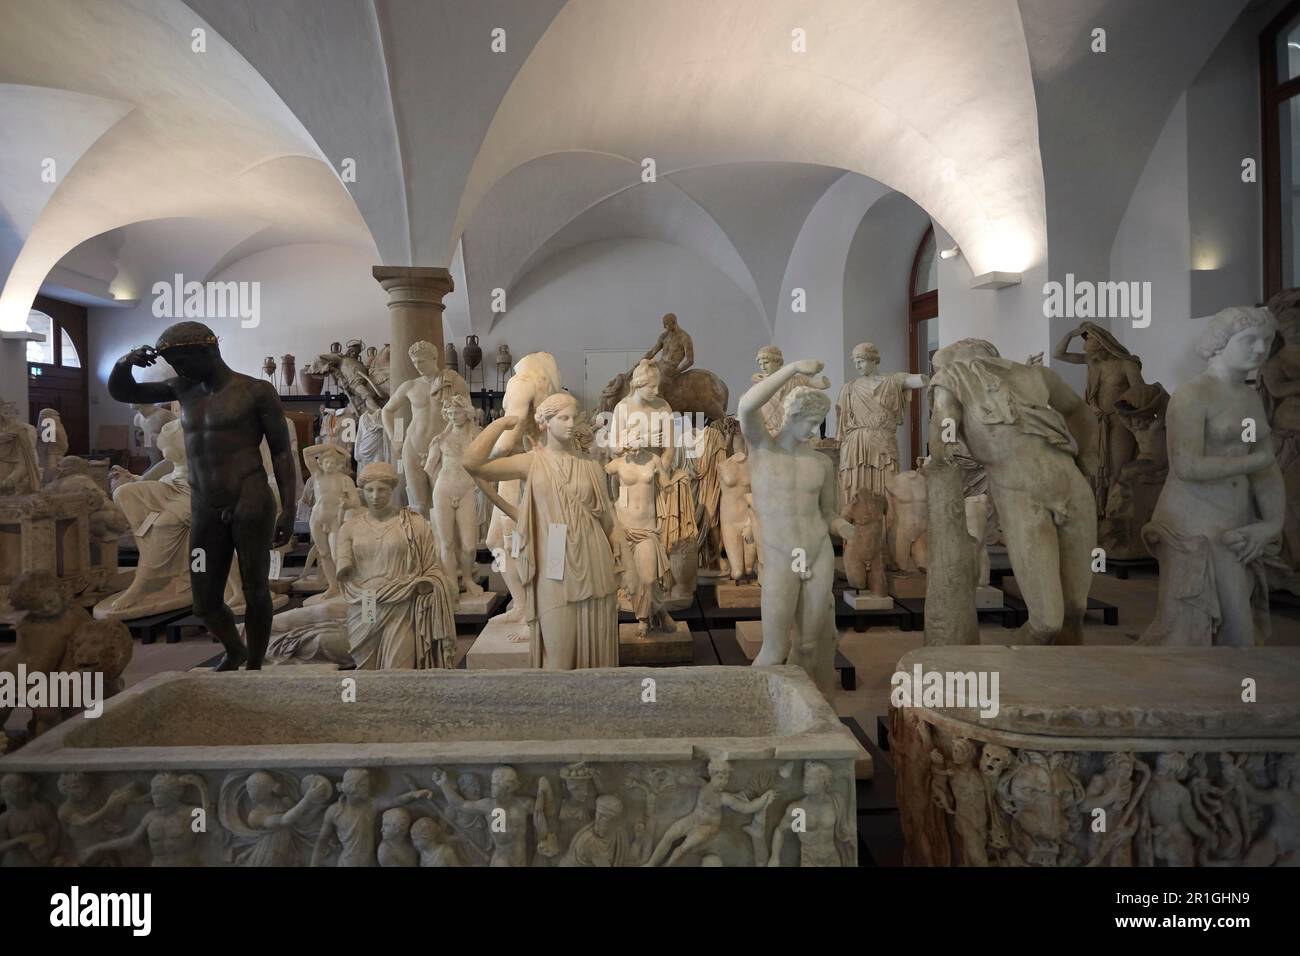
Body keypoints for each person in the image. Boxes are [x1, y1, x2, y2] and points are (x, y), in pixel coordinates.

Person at [108, 321, 296, 670]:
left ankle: (254, 664)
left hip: (250, 501)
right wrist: (124, 363)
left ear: (207, 352)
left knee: (255, 589)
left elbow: (282, 453)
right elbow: (123, 392)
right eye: (175, 366)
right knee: (204, 601)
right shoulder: (183, 389)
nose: (180, 371)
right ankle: (236, 649)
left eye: (183, 362)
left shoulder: (255, 390)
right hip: (206, 507)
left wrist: (288, 508)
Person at [929, 339, 1098, 645]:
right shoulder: (952, 379)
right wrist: (944, 449)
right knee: (1047, 621)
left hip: (1073, 487)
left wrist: (1088, 457)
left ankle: (1060, 684)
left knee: (1076, 610)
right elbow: (945, 430)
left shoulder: (1036, 376)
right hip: (1021, 494)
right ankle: (1015, 672)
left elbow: (1078, 410)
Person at [1141, 306, 1283, 646]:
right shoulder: (1193, 395)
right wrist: (1254, 461)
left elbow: (1266, 470)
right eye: (1249, 340)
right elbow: (1187, 466)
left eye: (1266, 340)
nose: (1260, 349)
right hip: (1195, 525)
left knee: (1231, 630)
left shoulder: (1249, 398)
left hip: (1235, 522)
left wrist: (1271, 524)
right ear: (1220, 343)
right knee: (1222, 630)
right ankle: (1213, 693)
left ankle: (1224, 692)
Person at [465, 393, 619, 669]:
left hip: (594, 561)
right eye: (563, 418)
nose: (571, 424)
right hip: (553, 562)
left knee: (595, 657)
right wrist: (499, 425)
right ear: (545, 423)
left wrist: (627, 568)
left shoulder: (591, 467)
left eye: (574, 417)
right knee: (558, 657)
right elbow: (473, 464)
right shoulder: (531, 461)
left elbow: (608, 521)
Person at [738, 358, 853, 692]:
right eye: (809, 421)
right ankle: (759, 711)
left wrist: (843, 527)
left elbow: (827, 513)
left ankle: (809, 716)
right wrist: (791, 370)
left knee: (809, 645)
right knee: (775, 650)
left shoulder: (819, 463)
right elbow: (747, 405)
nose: (813, 429)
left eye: (819, 422)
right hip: (781, 557)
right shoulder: (762, 449)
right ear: (792, 415)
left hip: (817, 552)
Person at [334, 462, 457, 669]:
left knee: (398, 666)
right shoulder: (349, 528)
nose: (375, 496)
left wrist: (428, 583)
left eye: (381, 490)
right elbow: (344, 573)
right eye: (369, 490)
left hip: (402, 604)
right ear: (361, 491)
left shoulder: (414, 524)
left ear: (392, 490)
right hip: (366, 601)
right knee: (367, 667)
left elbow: (432, 567)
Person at [1053, 322, 1147, 512]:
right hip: (1095, 422)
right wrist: (1071, 334)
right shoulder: (1092, 362)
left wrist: (1121, 404)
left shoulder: (1126, 364)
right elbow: (1058, 354)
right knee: (1093, 469)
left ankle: (1114, 516)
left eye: (1089, 340)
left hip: (1118, 422)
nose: (1084, 345)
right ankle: (1097, 512)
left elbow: (1140, 392)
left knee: (1116, 470)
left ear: (1102, 342)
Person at [835, 342, 926, 505]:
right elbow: (842, 425)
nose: (857, 366)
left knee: (887, 485)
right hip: (856, 445)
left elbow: (921, 380)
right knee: (856, 488)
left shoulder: (891, 382)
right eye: (855, 362)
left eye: (860, 361)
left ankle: (887, 525)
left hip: (883, 443)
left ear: (873, 359)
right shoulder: (849, 389)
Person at [643, 312, 695, 384]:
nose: (664, 327)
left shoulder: (684, 338)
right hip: (659, 366)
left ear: (674, 322)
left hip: (670, 369)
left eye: (666, 324)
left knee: (654, 388)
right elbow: (652, 352)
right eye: (663, 324)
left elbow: (689, 361)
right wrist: (637, 365)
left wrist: (676, 371)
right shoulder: (664, 336)